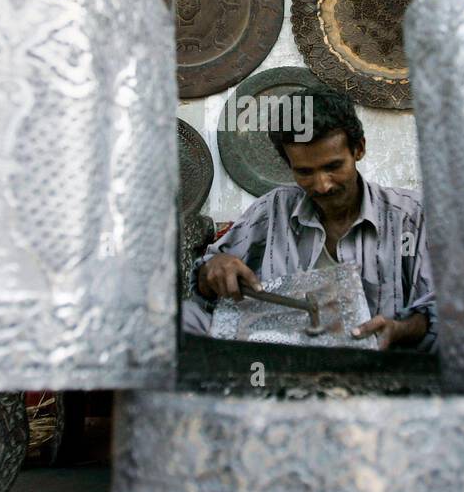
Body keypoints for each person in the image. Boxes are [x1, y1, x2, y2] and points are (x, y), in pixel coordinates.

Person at [184, 86, 435, 351]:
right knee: (183, 321)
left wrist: (401, 329)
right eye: (304, 172)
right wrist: (212, 270)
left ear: (358, 149)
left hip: (376, 363)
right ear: (289, 165)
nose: (322, 185)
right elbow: (205, 285)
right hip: (278, 361)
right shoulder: (273, 209)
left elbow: (439, 309)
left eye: (333, 167)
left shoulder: (410, 215)